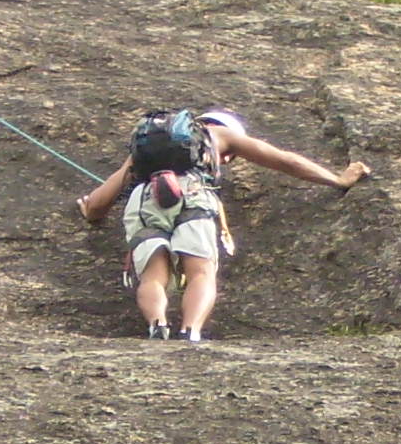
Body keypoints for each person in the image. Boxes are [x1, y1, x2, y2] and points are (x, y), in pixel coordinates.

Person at [75, 106, 370, 343]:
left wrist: (90, 210)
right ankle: (190, 331)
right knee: (201, 272)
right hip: (194, 194)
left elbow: (99, 205)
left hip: (146, 197)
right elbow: (285, 161)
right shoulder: (220, 136)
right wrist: (336, 179)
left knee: (153, 275)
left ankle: (157, 323)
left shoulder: (148, 145)